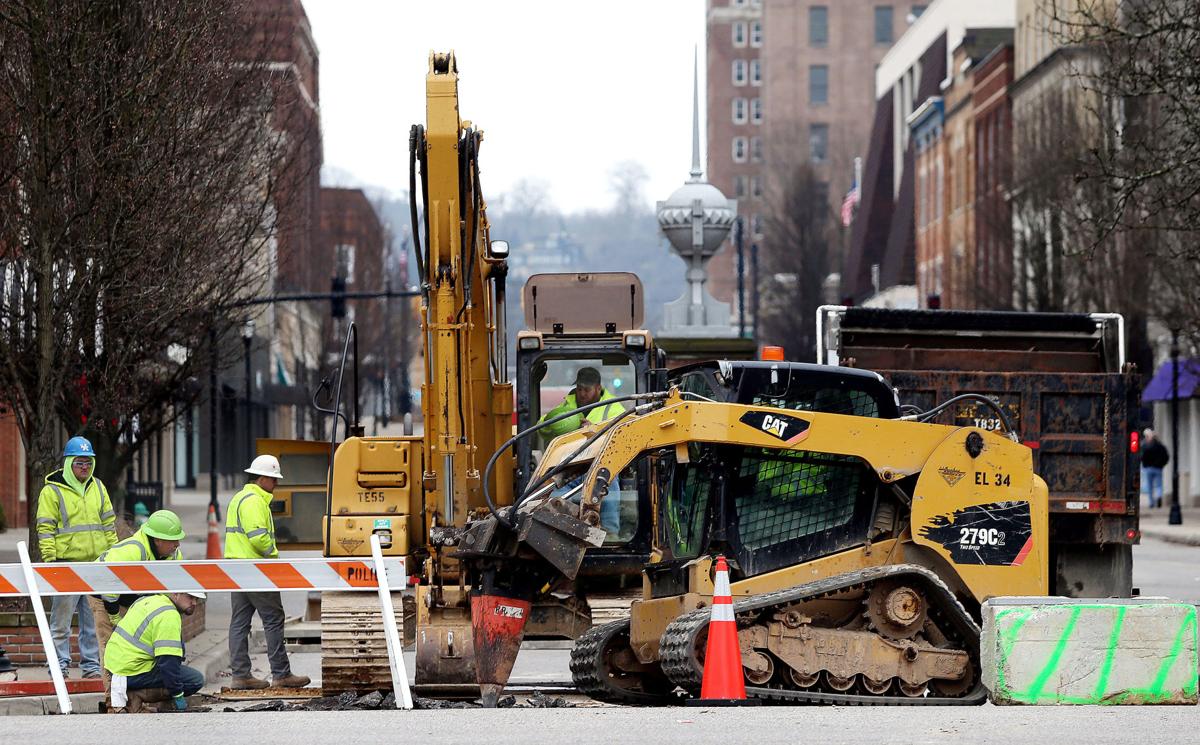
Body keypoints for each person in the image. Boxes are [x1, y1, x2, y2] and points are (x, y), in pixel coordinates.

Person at [225, 454, 310, 690]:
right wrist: (273, 555)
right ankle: (281, 674)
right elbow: (258, 538)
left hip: (238, 569)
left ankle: (241, 675)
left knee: (239, 622)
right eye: (273, 479)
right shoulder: (254, 501)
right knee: (273, 618)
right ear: (262, 479)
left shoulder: (240, 498)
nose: (276, 484)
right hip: (256, 569)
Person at [36, 436, 117, 679]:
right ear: (69, 463)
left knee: (92, 622)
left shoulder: (98, 487)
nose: (85, 467)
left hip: (95, 565)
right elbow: (45, 527)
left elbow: (109, 524)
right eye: (80, 463)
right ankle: (58, 666)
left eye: (88, 462)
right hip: (66, 565)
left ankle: (91, 667)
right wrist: (50, 560)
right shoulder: (52, 491)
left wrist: (114, 555)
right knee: (60, 623)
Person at [88, 510, 186, 704]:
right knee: (111, 644)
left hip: (132, 597)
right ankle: (112, 701)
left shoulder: (173, 555)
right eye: (172, 540)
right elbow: (108, 583)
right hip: (103, 593)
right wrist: (114, 617)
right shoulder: (133, 550)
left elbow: (175, 586)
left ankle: (134, 698)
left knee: (139, 643)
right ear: (157, 540)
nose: (177, 544)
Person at [104, 592, 206, 713]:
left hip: (114, 664)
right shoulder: (169, 615)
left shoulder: (149, 600)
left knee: (174, 673)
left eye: (196, 599)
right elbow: (168, 663)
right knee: (194, 680)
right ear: (176, 594)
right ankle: (136, 695)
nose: (194, 603)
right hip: (130, 670)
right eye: (190, 597)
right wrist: (178, 696)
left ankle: (133, 692)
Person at [538, 367, 625, 440]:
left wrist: (594, 430)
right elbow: (541, 426)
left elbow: (623, 436)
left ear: (598, 389)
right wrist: (553, 424)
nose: (582, 394)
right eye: (579, 389)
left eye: (587, 390)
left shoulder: (613, 407)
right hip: (570, 455)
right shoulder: (568, 404)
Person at [1142, 428, 1170, 508]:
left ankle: (1151, 502)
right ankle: (1159, 496)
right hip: (1158, 468)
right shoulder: (1161, 446)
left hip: (1148, 468)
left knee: (1150, 486)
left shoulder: (1145, 446)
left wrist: (1145, 464)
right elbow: (1166, 457)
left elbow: (1142, 457)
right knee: (1159, 485)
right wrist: (1161, 464)